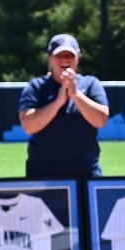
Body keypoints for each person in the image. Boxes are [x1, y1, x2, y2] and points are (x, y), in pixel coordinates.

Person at [17, 32, 110, 178]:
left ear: (78, 58)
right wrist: (58, 101)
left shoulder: (91, 84)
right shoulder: (36, 87)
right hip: (43, 174)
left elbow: (101, 120)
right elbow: (29, 126)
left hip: (85, 174)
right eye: (59, 55)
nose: (65, 59)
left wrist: (76, 95)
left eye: (70, 55)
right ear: (50, 58)